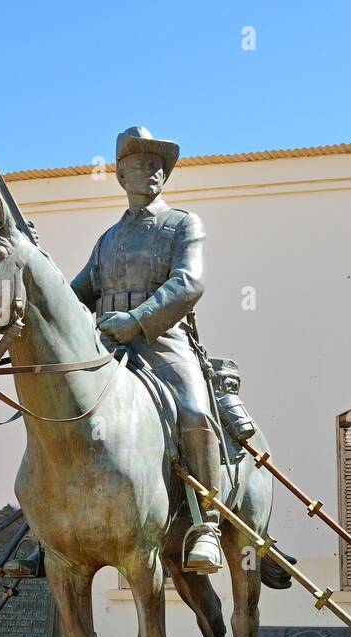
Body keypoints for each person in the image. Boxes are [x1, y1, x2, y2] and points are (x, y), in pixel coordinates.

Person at [71, 127, 224, 572]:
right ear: (120, 176)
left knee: (195, 412)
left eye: (158, 164)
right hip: (107, 346)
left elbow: (188, 283)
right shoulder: (108, 240)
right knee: (62, 409)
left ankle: (207, 526)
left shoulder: (182, 224)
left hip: (162, 341)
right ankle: (46, 531)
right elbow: (80, 292)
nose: (153, 170)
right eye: (141, 163)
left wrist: (136, 320)